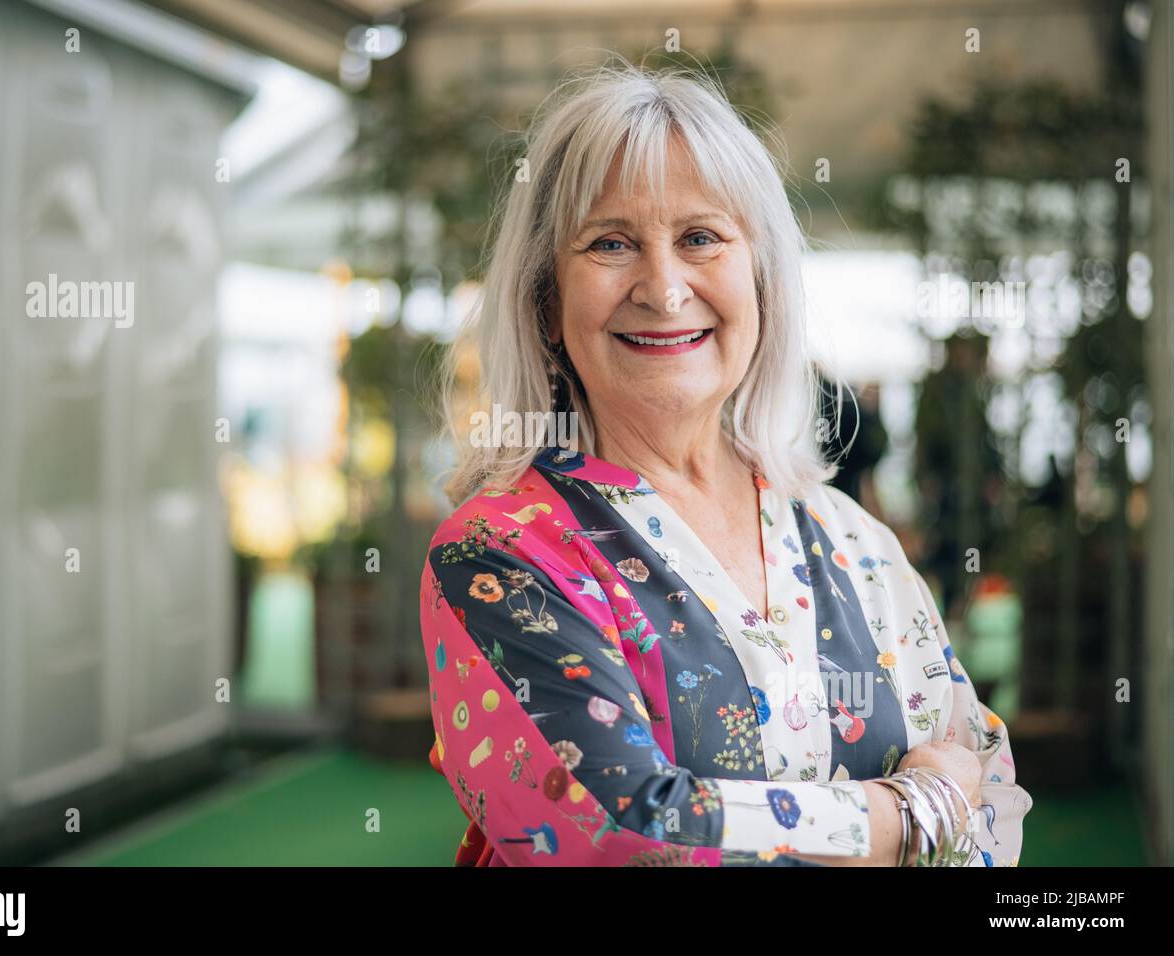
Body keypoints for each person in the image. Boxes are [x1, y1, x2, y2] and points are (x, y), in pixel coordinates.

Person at [420, 60, 1032, 867]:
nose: (665, 289)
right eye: (611, 243)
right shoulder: (500, 556)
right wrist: (911, 816)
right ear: (545, 301)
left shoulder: (849, 535)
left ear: (761, 280)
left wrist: (943, 807)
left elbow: (991, 787)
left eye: (701, 238)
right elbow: (630, 835)